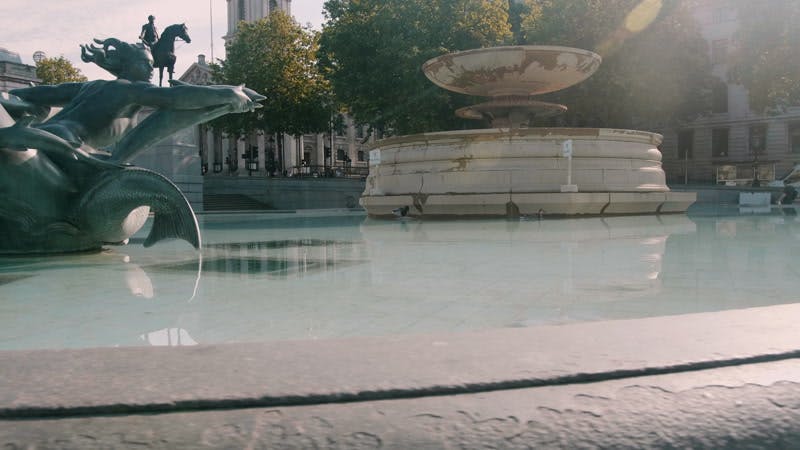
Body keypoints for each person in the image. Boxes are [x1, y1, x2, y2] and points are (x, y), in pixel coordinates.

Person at [4, 38, 262, 165]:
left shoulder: (91, 86)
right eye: (145, 64)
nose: (151, 70)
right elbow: (174, 99)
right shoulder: (130, 91)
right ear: (128, 66)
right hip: (67, 145)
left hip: (50, 135)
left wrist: (229, 95)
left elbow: (36, 93)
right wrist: (228, 95)